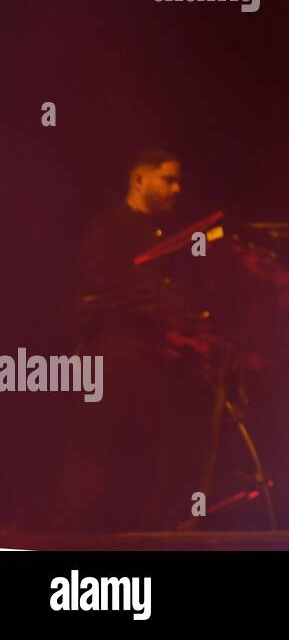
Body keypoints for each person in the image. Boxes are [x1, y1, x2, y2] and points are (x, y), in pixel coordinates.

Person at [60, 149, 207, 532]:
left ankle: (127, 535)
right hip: (110, 359)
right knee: (98, 454)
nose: (177, 188)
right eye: (168, 179)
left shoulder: (159, 233)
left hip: (145, 362)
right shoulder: (110, 227)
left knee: (141, 454)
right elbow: (96, 283)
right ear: (139, 180)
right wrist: (159, 296)